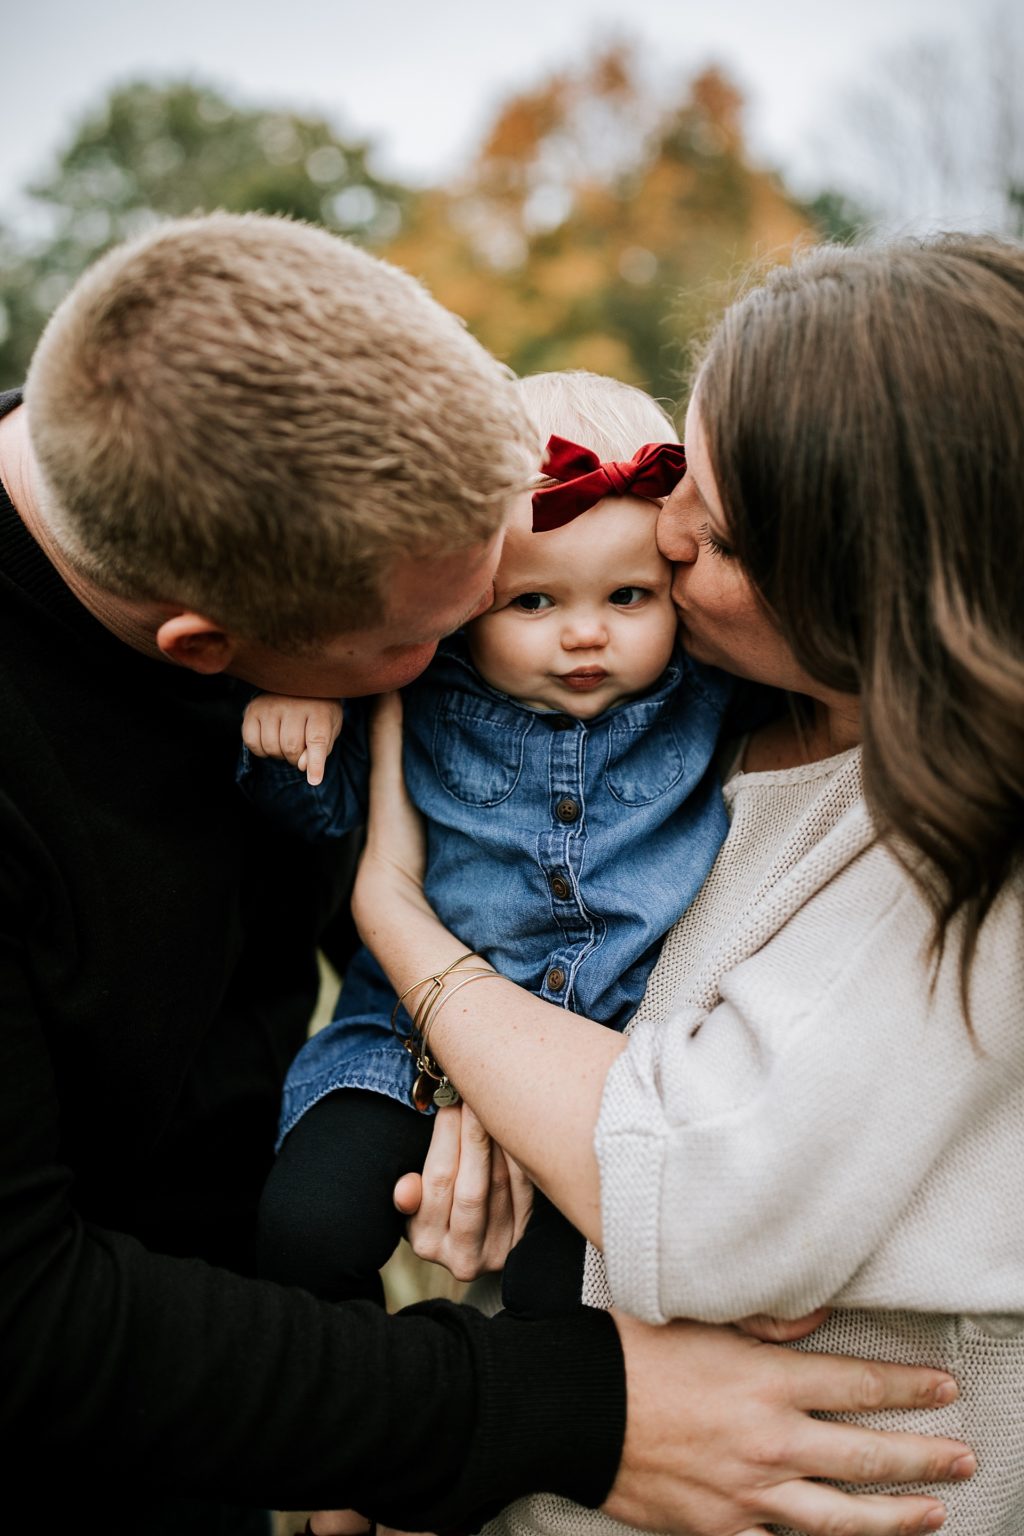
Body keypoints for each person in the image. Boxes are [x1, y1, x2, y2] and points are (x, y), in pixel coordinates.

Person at [0, 210, 973, 1536]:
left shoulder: (223, 488)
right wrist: (529, 1406)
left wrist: (497, 1069)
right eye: (437, 643)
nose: (503, 667)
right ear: (207, 653)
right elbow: (29, 1315)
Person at [345, 235, 1024, 1536]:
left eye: (712, 530)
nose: (663, 528)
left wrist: (409, 935)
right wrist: (502, 1082)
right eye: (685, 477)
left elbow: (697, 1199)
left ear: (866, 584)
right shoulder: (697, 725)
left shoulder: (971, 844)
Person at [240, 370, 734, 1318]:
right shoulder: (416, 688)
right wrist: (294, 723)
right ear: (470, 599)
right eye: (535, 604)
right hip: (409, 1039)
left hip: (611, 1058)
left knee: (573, 1287)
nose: (585, 635)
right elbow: (326, 821)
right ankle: (361, 1411)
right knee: (307, 1228)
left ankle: (544, 1433)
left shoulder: (709, 696)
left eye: (628, 596)